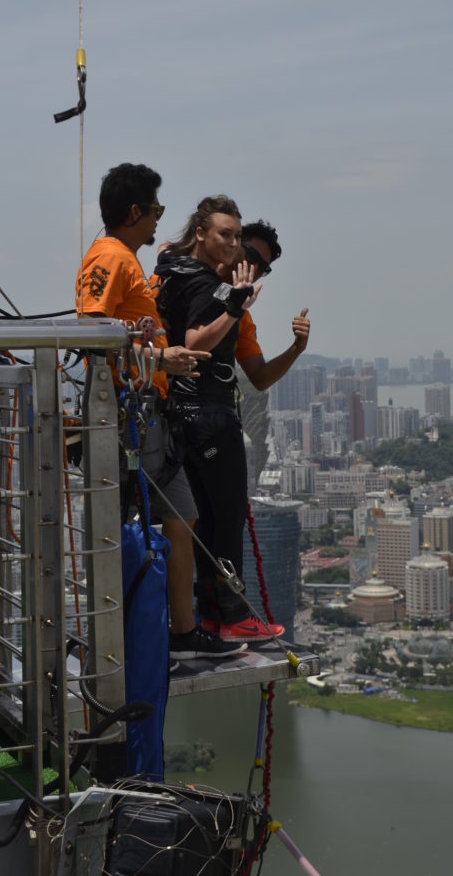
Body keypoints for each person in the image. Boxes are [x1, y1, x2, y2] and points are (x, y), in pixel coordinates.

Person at [76, 163, 246, 660]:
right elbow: (92, 330)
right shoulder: (111, 257)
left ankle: (183, 632)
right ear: (135, 211)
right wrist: (160, 358)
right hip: (129, 409)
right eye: (155, 210)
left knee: (183, 516)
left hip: (149, 409)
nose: (157, 220)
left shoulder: (127, 258)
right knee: (127, 520)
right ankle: (116, 641)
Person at [154, 196, 285, 642]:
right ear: (203, 235)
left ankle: (208, 618)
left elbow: (260, 376)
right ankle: (227, 616)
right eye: (231, 241)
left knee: (204, 519)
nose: (239, 255)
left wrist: (297, 347)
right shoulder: (209, 285)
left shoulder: (172, 269)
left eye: (257, 264)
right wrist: (233, 304)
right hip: (207, 413)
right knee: (224, 517)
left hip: (178, 412)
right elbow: (195, 342)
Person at [227, 219, 310, 391]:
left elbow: (260, 377)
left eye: (263, 267)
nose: (255, 268)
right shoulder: (191, 281)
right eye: (252, 255)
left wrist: (297, 347)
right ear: (235, 245)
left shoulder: (241, 317)